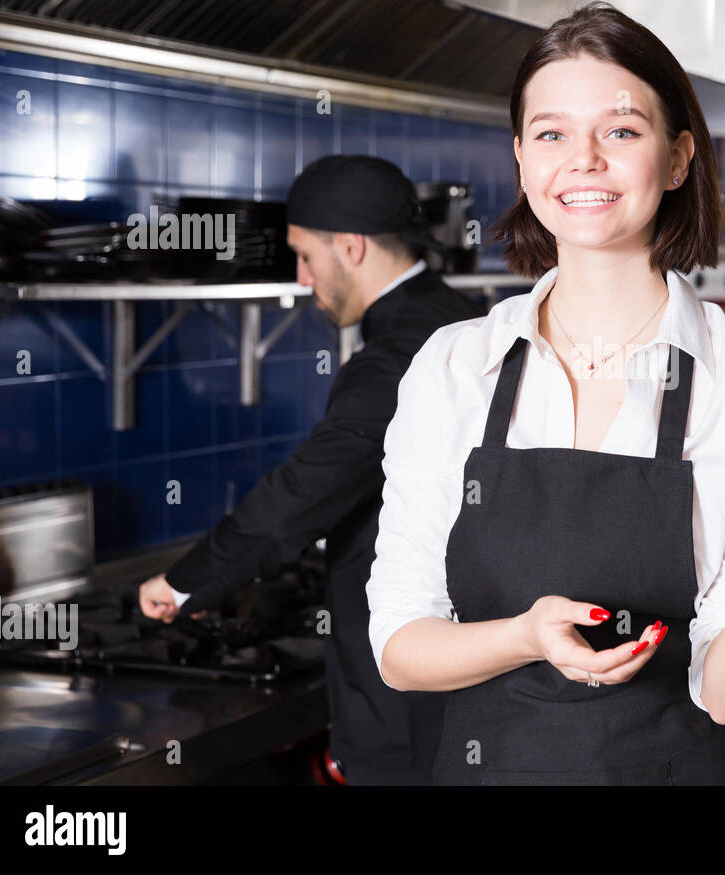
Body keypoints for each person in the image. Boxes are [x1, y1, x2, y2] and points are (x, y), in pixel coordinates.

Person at [366, 2, 725, 786]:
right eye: (552, 133)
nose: (584, 160)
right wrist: (528, 636)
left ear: (677, 159)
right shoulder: (453, 365)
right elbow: (401, 648)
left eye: (622, 130)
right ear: (523, 161)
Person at [138, 155, 483, 785]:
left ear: (350, 247)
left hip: (409, 703)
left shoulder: (398, 354)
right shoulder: (456, 316)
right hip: (456, 681)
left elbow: (308, 489)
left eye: (305, 256)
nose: (302, 278)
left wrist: (188, 580)